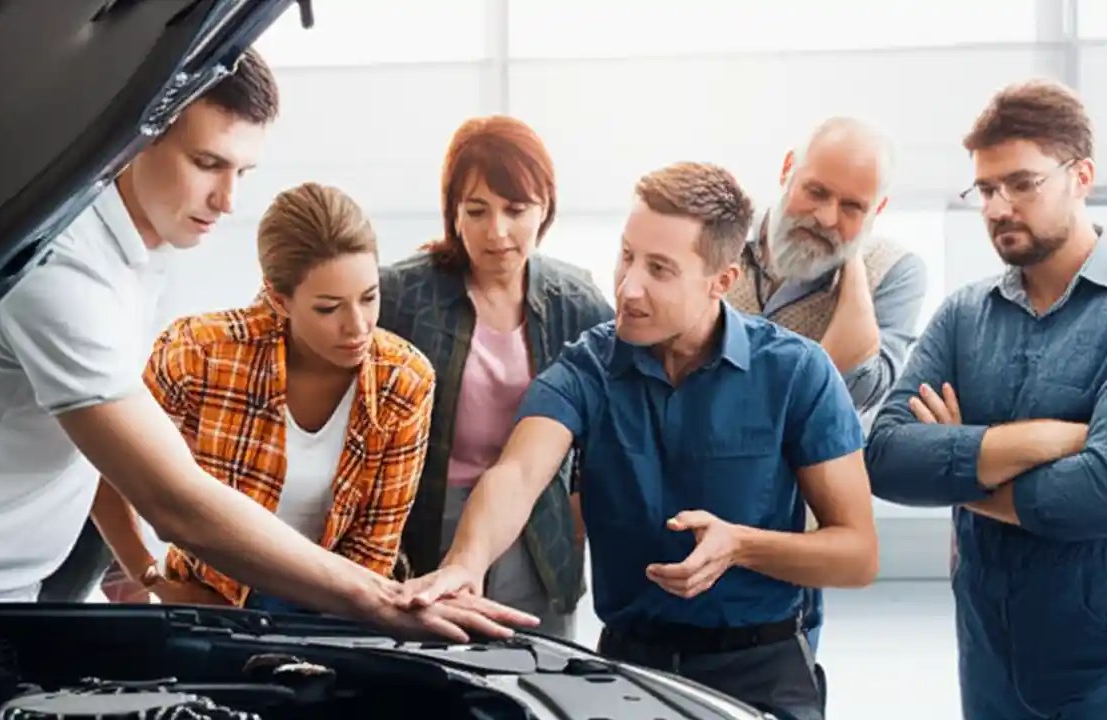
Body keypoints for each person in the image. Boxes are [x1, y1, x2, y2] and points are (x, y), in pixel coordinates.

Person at [0, 47, 532, 642]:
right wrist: (376, 599)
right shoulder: (60, 270)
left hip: (7, 599)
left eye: (243, 172)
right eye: (208, 163)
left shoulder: (142, 253)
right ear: (135, 138)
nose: (228, 200)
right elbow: (173, 498)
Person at [401, 161, 879, 719]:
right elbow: (518, 474)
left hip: (763, 671)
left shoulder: (797, 372)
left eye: (659, 269)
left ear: (721, 281)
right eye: (627, 255)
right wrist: (466, 561)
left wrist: (741, 546)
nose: (628, 288)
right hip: (627, 667)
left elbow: (858, 555)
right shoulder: (587, 367)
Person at [866, 79, 1107, 720]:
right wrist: (1040, 442)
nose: (999, 206)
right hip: (987, 657)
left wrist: (957, 462)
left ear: (1081, 175)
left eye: (1022, 183)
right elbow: (886, 458)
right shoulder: (963, 315)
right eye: (986, 188)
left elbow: (1093, 494)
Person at [93, 181, 432, 610]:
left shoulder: (404, 380)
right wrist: (149, 576)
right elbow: (105, 469)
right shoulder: (199, 352)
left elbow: (374, 551)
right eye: (329, 308)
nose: (358, 326)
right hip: (207, 605)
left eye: (369, 297)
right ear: (279, 298)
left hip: (336, 607)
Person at [378, 116, 613, 640]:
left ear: (545, 208)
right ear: (452, 213)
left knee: (539, 666)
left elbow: (606, 421)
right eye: (476, 210)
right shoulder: (400, 294)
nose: (497, 231)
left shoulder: (578, 300)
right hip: (427, 520)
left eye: (516, 209)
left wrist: (575, 510)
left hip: (541, 524)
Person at [726, 116, 928, 654]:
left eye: (852, 208)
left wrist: (852, 262)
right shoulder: (716, 238)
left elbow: (858, 387)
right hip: (690, 507)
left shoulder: (896, 272)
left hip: (796, 539)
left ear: (876, 213)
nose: (825, 217)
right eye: (816, 192)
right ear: (788, 170)